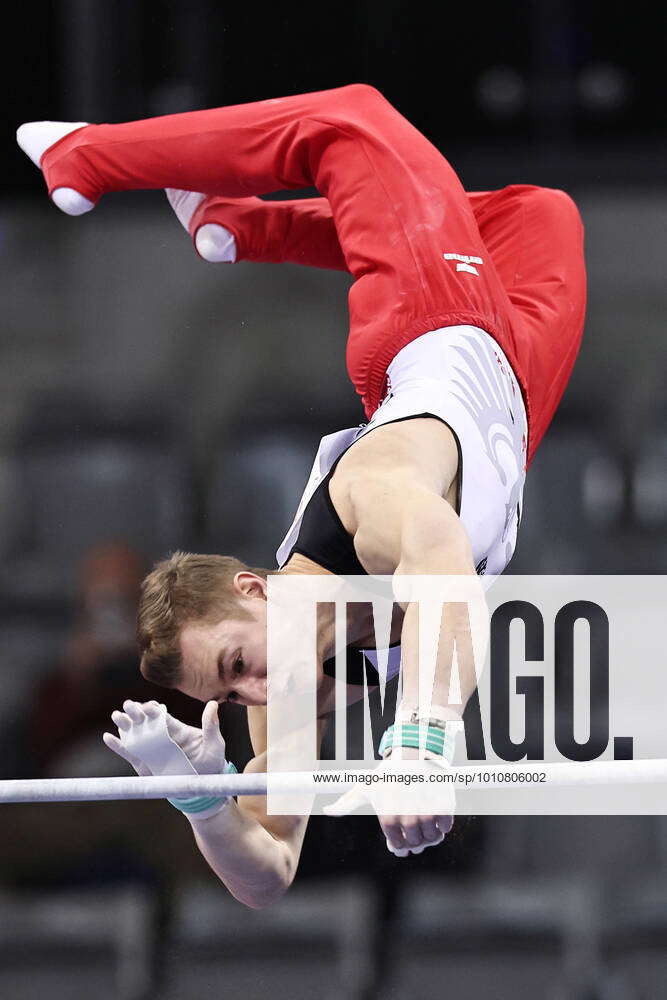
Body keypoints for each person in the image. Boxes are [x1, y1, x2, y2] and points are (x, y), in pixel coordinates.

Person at [17, 84, 586, 908]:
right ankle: (242, 226)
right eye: (231, 692)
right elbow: (267, 875)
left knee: (349, 120)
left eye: (237, 663)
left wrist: (420, 742)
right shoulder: (288, 690)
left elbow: (442, 565)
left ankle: (90, 157)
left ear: (254, 586)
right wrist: (202, 798)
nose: (253, 692)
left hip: (433, 321)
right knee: (536, 212)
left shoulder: (364, 495)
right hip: (521, 392)